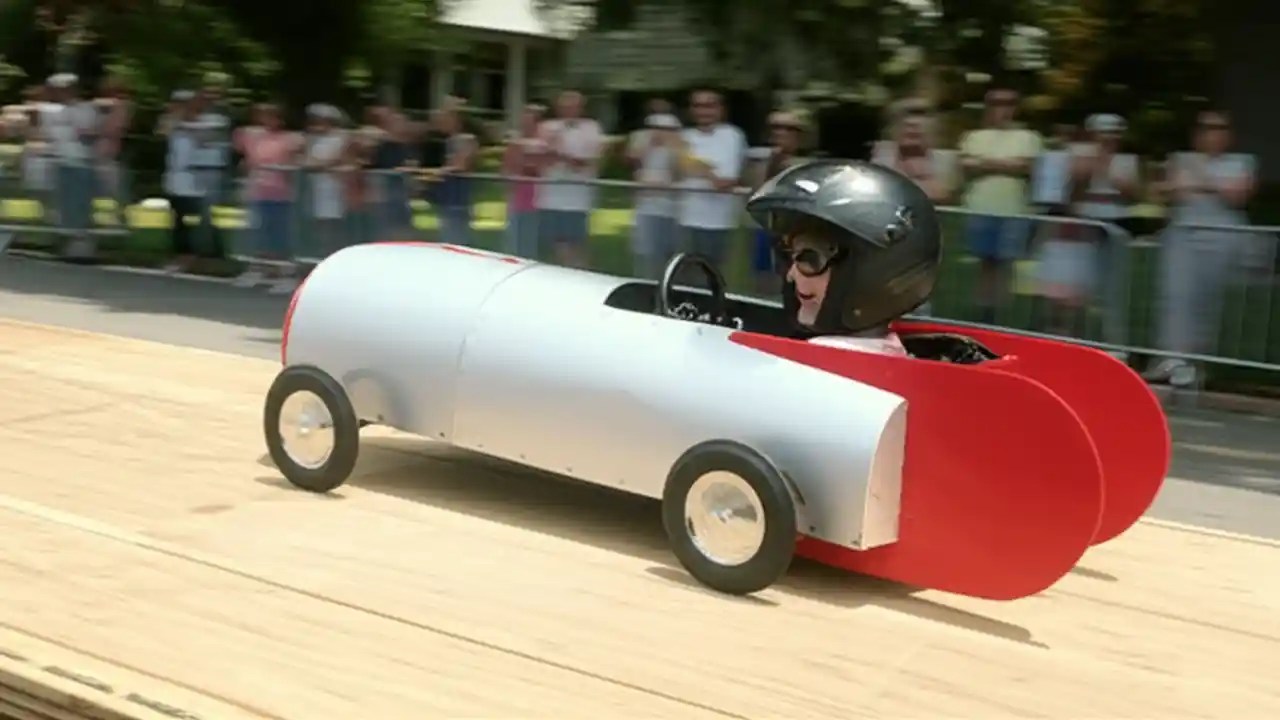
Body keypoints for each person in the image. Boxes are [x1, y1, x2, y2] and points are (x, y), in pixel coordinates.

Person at [744, 159, 941, 356]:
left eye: (810, 259)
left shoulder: (816, 364)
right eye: (788, 256)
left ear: (872, 273)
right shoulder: (891, 350)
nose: (791, 275)